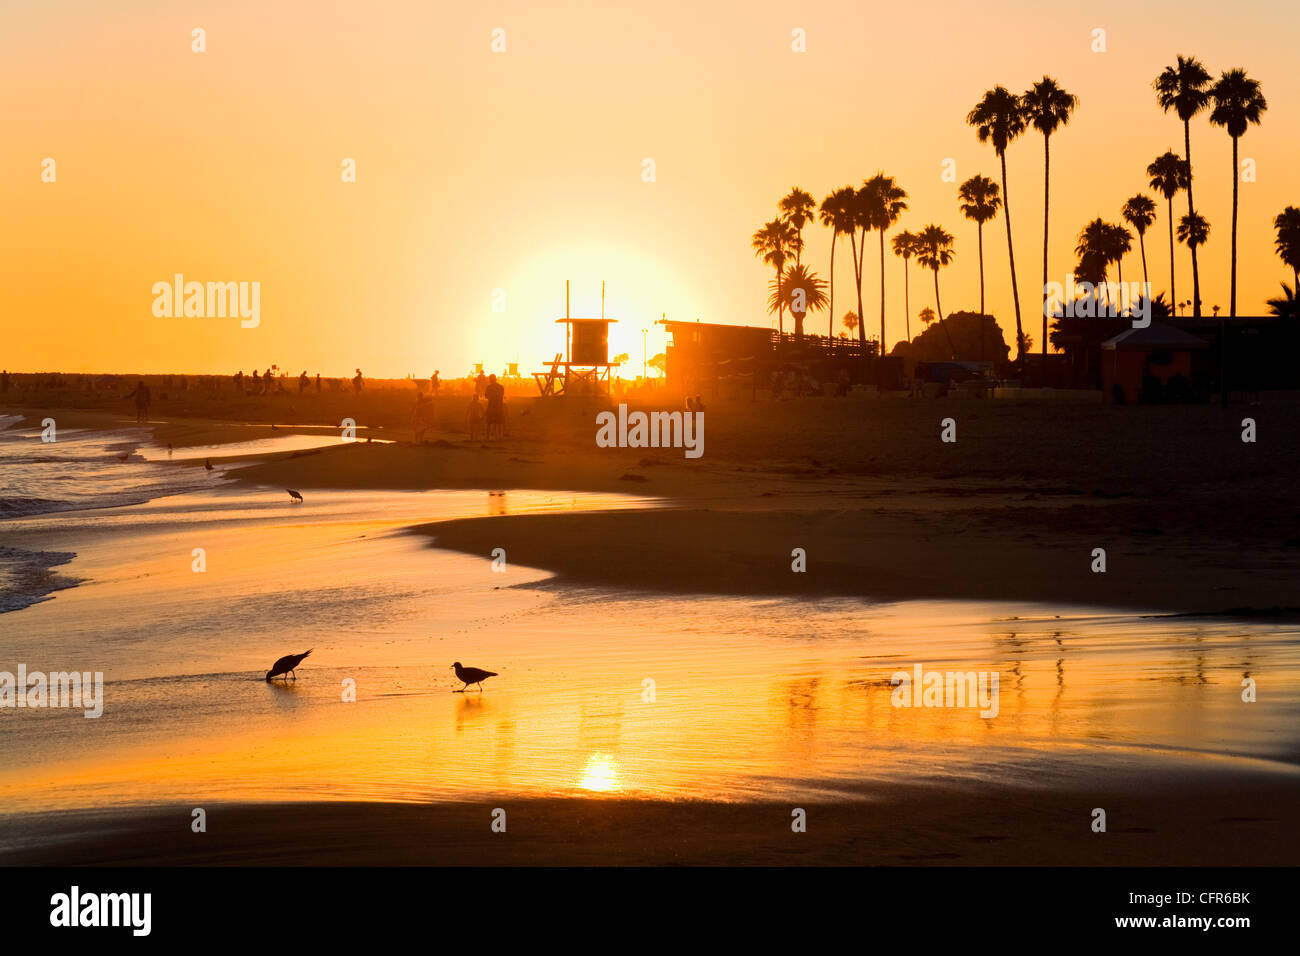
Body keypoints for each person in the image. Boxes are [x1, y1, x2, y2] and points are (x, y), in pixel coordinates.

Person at [484, 374, 505, 439]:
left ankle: (488, 437)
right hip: (499, 407)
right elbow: (501, 395)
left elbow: (486, 396)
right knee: (499, 423)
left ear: (490, 379)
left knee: (489, 422)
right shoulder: (501, 387)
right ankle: (500, 437)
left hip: (491, 407)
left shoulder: (488, 387)